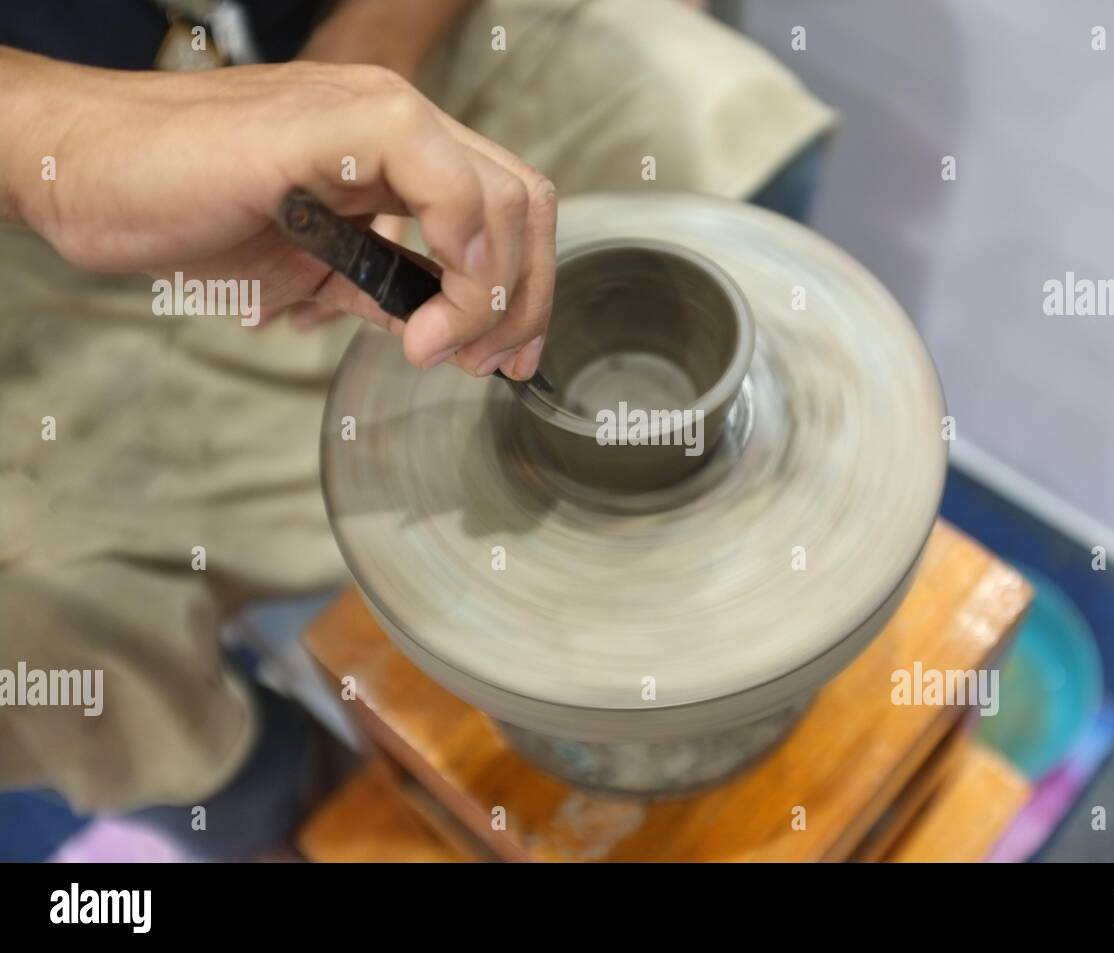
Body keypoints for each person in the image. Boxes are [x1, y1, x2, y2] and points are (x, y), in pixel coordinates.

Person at [0, 0, 835, 848]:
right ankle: (321, 811)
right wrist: (58, 148)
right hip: (45, 223)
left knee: (711, 113)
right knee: (34, 642)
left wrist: (366, 51)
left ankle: (724, 573)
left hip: (373, 65)